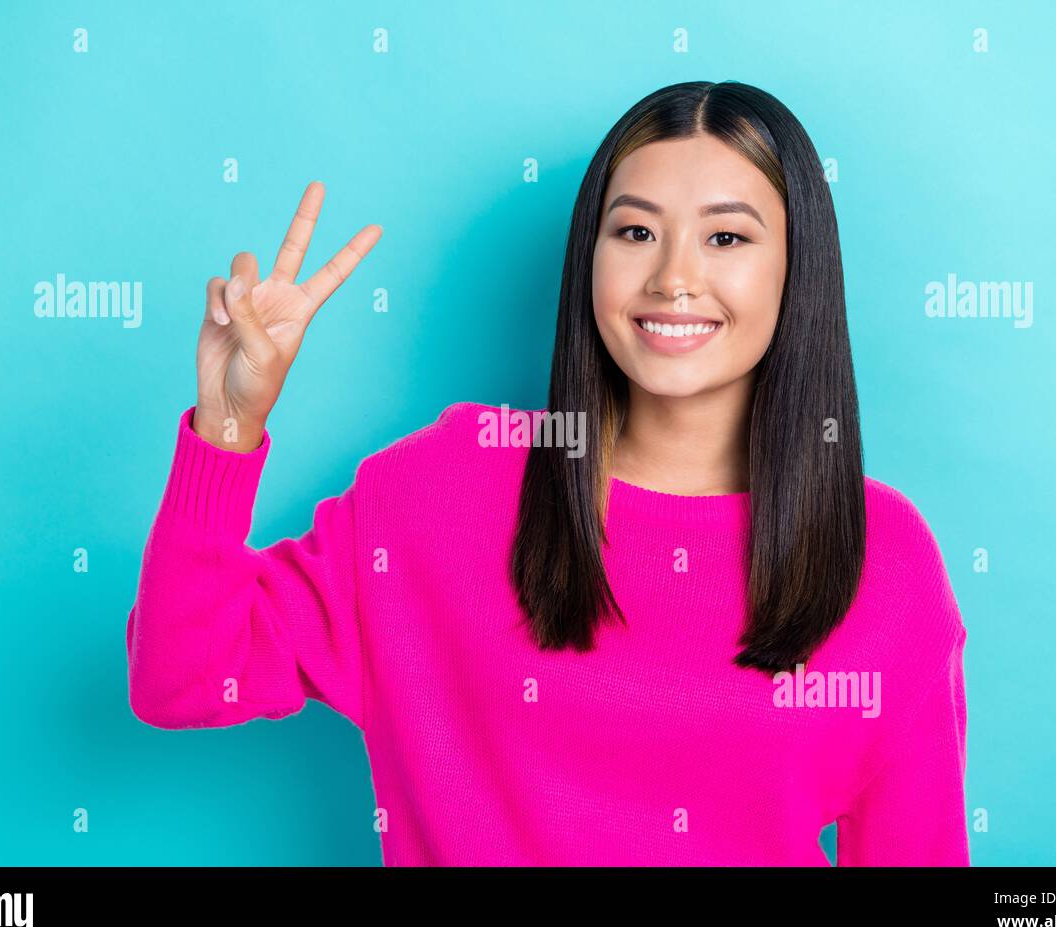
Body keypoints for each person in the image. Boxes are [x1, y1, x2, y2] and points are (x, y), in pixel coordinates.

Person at [126, 80, 970, 867]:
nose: (674, 278)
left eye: (726, 237)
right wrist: (229, 426)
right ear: (589, 259)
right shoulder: (439, 492)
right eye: (635, 231)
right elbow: (184, 675)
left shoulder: (884, 558)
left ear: (797, 270)